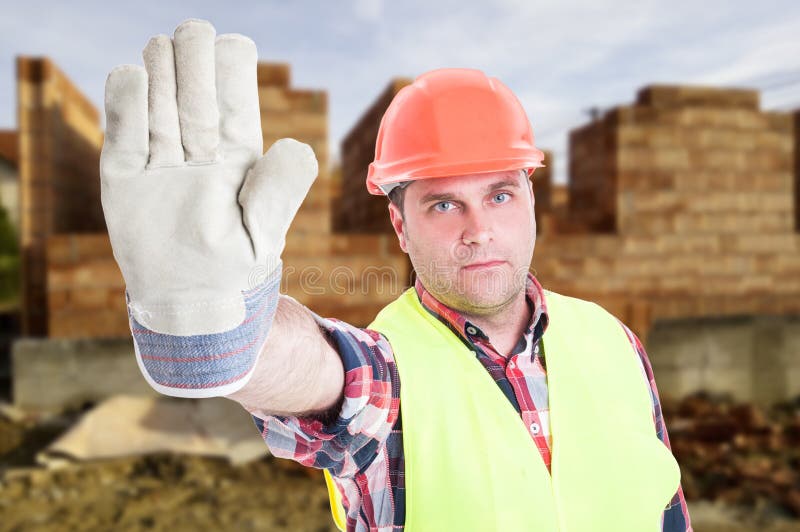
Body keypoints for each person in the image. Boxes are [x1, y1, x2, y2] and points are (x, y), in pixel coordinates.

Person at [100, 18, 692, 532]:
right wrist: (216, 327)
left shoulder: (613, 341)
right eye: (442, 204)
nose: (479, 229)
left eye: (501, 195)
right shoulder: (390, 370)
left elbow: (666, 508)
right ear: (400, 225)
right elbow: (323, 372)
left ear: (532, 200)